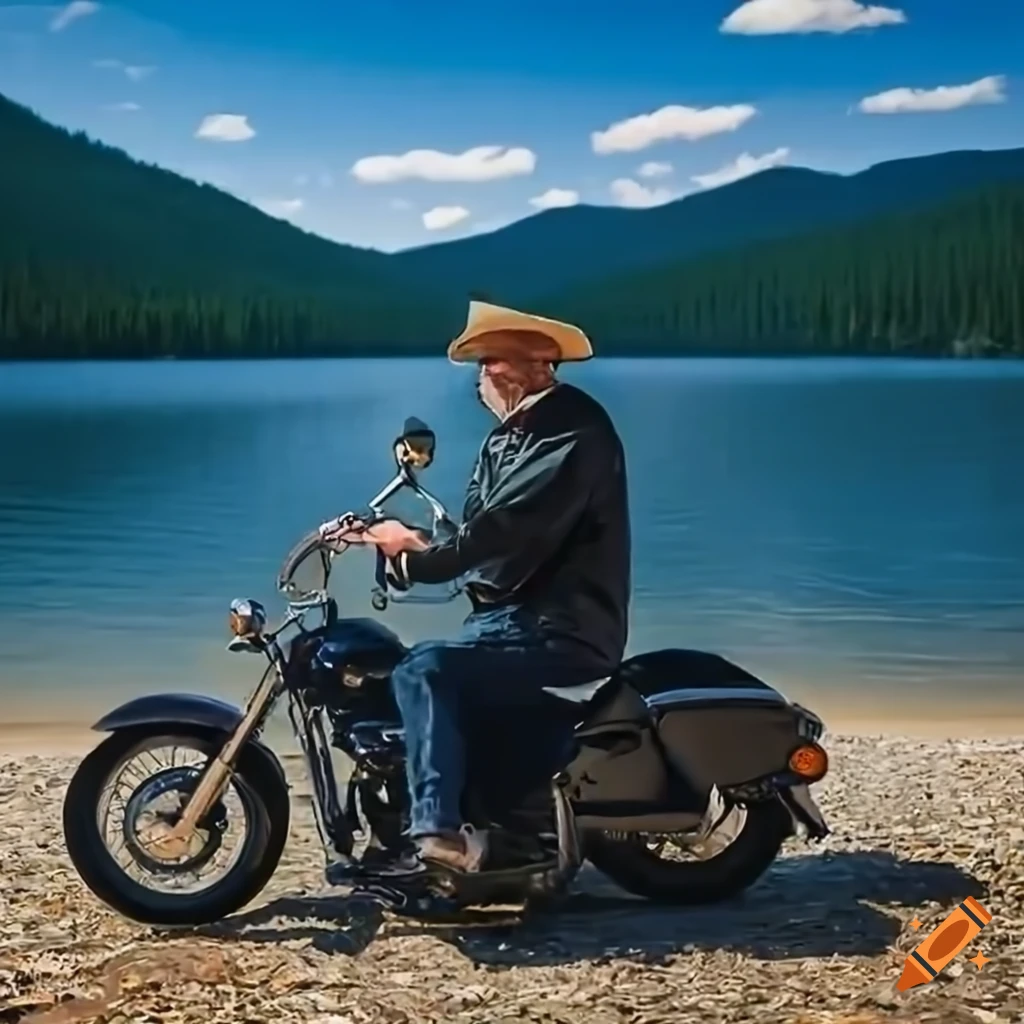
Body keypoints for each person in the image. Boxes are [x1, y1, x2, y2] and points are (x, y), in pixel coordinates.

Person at [325, 301, 631, 874]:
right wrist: (398, 540)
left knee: (424, 669)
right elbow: (473, 541)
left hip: (560, 626)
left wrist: (420, 565)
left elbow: (502, 531)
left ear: (531, 366)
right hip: (508, 621)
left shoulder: (572, 433)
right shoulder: (509, 439)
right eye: (482, 364)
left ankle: (441, 835)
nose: (480, 377)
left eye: (488, 362)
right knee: (398, 672)